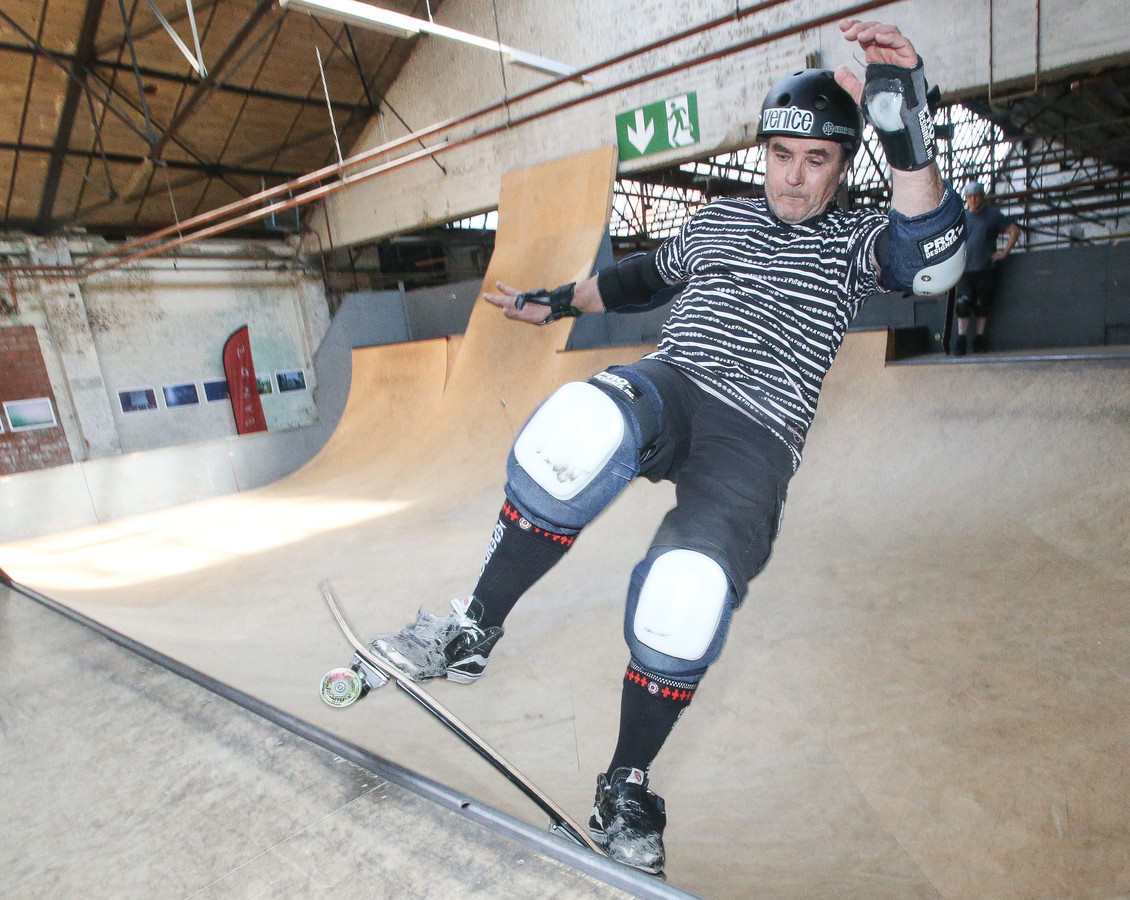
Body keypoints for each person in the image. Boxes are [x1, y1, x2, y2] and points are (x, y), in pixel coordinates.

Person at [367, 18, 966, 876]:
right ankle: (471, 629)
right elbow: (634, 279)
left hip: (755, 436)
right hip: (672, 384)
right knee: (577, 428)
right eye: (782, 156)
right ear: (764, 154)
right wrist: (551, 301)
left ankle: (625, 783)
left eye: (817, 160)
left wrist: (900, 119)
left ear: (841, 167)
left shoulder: (854, 242)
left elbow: (931, 259)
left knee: (686, 595)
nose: (795, 177)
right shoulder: (718, 222)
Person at [951, 180, 1020, 355]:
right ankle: (961, 340)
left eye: (976, 196)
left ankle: (979, 339)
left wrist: (1004, 253)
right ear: (966, 198)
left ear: (982, 197)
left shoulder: (993, 215)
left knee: (982, 305)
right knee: (963, 304)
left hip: (986, 268)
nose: (973, 199)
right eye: (969, 196)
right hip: (965, 269)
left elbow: (1014, 231)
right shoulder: (961, 217)